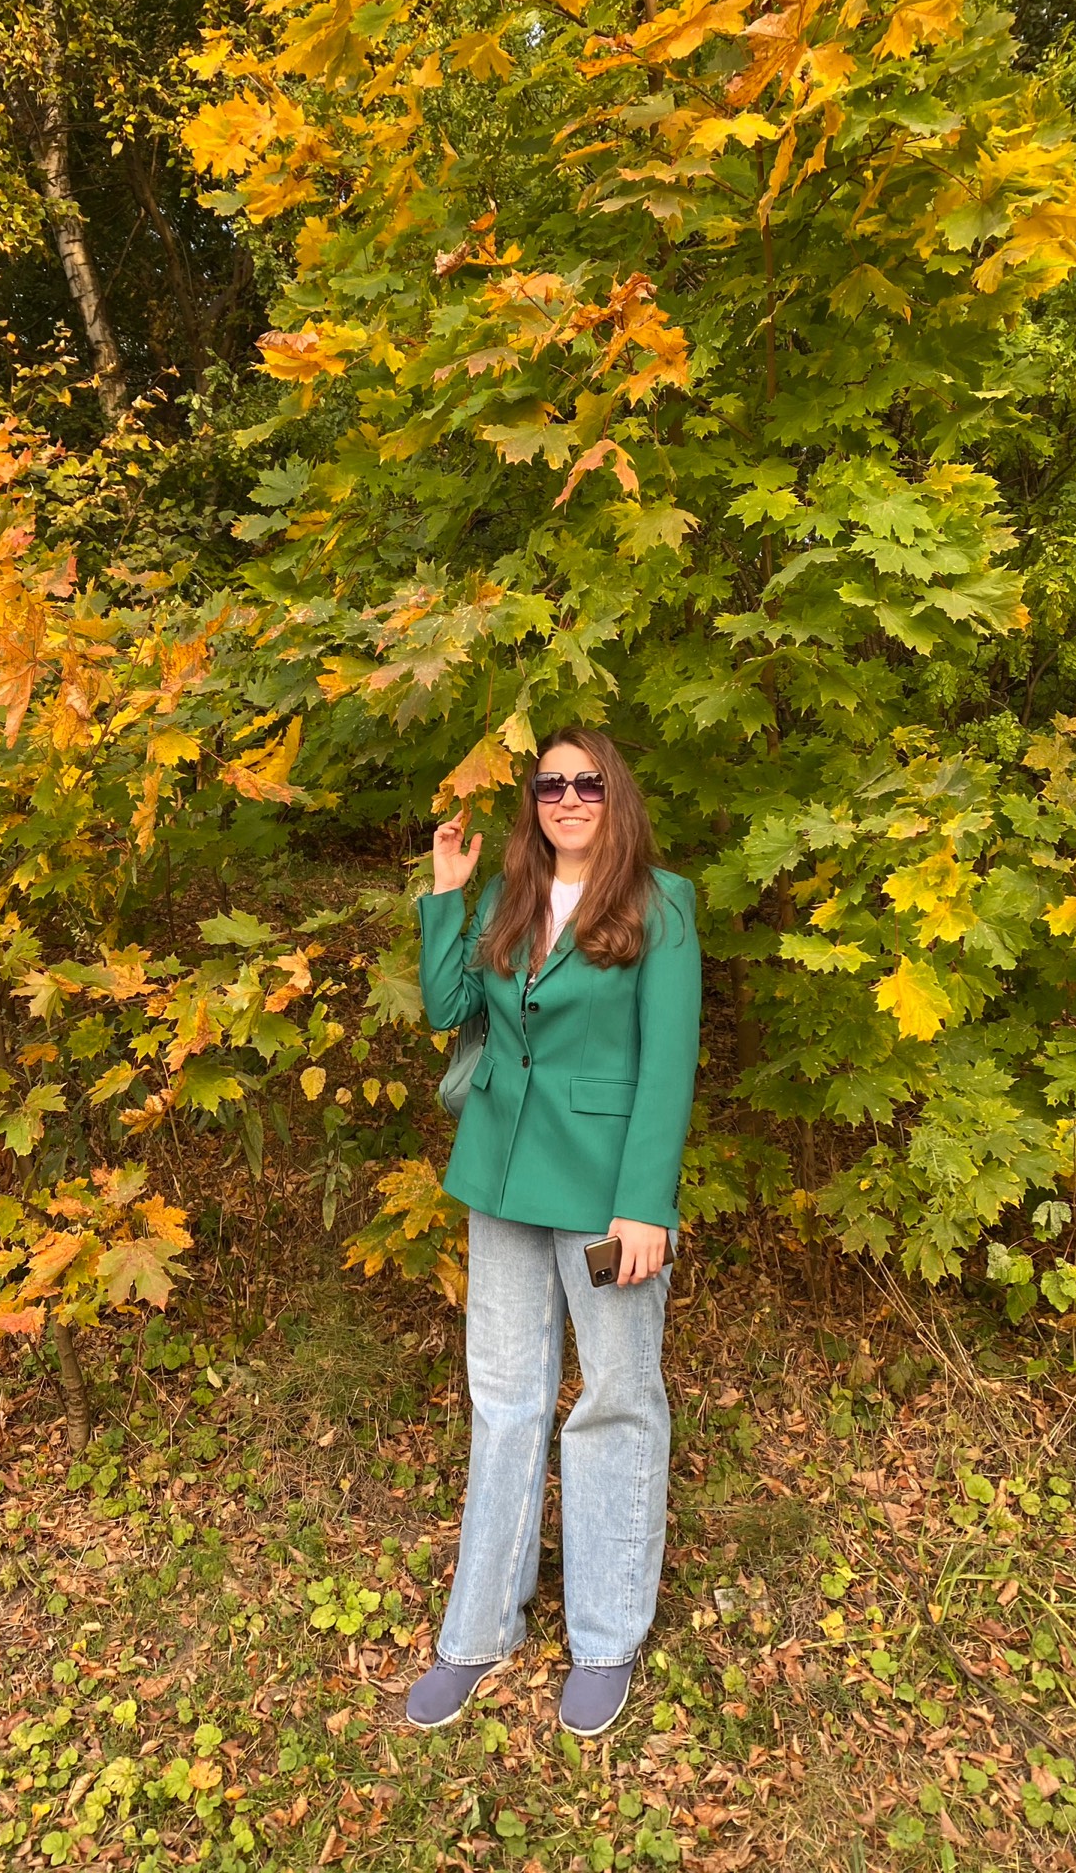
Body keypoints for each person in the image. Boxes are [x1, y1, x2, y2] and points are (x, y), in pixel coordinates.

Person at [405, 725, 701, 1739]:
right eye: (549, 784)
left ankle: (607, 1632)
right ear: (532, 799)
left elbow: (667, 1061)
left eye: (584, 782)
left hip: (603, 1192)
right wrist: (447, 889)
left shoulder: (662, 904)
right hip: (500, 1175)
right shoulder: (507, 895)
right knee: (505, 1399)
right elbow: (448, 1004)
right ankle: (480, 1627)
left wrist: (647, 1202)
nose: (567, 797)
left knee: (615, 1400)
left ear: (612, 793)